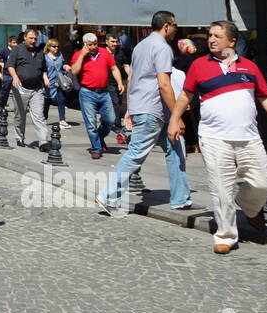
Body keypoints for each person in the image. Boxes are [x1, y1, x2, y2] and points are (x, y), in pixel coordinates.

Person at [167, 20, 267, 254]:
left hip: (248, 137)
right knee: (221, 188)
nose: (211, 39)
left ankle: (248, 205)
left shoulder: (249, 67)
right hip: (214, 137)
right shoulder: (198, 65)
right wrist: (175, 119)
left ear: (232, 41)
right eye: (210, 36)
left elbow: (265, 97)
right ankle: (225, 235)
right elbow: (186, 95)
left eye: (217, 35)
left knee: (263, 184)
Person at [98, 11, 193, 217]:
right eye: (174, 25)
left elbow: (134, 78)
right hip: (153, 109)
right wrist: (177, 115)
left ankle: (181, 198)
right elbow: (164, 84)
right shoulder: (162, 48)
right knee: (135, 153)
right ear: (166, 26)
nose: (176, 29)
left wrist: (131, 107)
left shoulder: (141, 46)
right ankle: (108, 196)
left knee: (176, 148)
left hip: (147, 107)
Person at [70, 33, 124, 159]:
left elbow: (114, 68)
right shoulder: (78, 55)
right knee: (91, 123)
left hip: (104, 92)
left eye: (95, 44)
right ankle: (96, 148)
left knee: (110, 120)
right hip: (87, 93)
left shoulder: (104, 53)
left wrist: (120, 82)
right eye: (90, 45)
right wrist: (83, 55)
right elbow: (74, 71)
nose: (93, 47)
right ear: (85, 44)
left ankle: (99, 137)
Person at [6, 28, 48, 151]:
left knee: (39, 116)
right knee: (20, 115)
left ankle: (43, 142)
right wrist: (15, 77)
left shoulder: (40, 52)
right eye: (31, 38)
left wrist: (45, 78)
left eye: (35, 39)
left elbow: (43, 68)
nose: (33, 41)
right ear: (24, 37)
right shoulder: (17, 50)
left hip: (37, 89)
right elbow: (10, 66)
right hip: (21, 88)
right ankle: (19, 137)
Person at [41, 38, 72, 128]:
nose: (56, 48)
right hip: (48, 81)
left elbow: (63, 64)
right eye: (54, 46)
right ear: (49, 47)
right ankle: (44, 118)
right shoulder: (45, 56)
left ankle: (62, 120)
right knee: (47, 100)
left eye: (58, 46)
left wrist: (66, 66)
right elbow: (43, 69)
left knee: (61, 100)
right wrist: (45, 78)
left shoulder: (60, 55)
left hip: (59, 82)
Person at [105, 34, 130, 143]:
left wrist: (130, 75)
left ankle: (110, 119)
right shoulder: (102, 52)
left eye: (116, 42)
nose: (115, 44)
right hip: (107, 82)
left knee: (118, 102)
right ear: (107, 42)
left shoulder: (120, 52)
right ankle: (117, 124)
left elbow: (125, 65)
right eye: (112, 41)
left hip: (119, 82)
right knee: (115, 101)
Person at [0, 35, 18, 111]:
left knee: (18, 92)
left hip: (16, 75)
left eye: (16, 43)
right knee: (5, 92)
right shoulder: (4, 51)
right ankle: (2, 105)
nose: (15, 44)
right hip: (7, 75)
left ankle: (18, 107)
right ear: (9, 43)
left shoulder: (18, 51)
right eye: (14, 43)